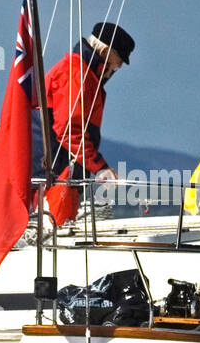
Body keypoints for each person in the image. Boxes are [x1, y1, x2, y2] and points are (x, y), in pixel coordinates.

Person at [43, 21, 135, 223]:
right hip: (53, 179)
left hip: (64, 178)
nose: (119, 66)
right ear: (104, 51)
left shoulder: (85, 76)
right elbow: (69, 130)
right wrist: (100, 167)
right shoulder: (76, 74)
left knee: (60, 232)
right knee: (55, 234)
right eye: (118, 59)